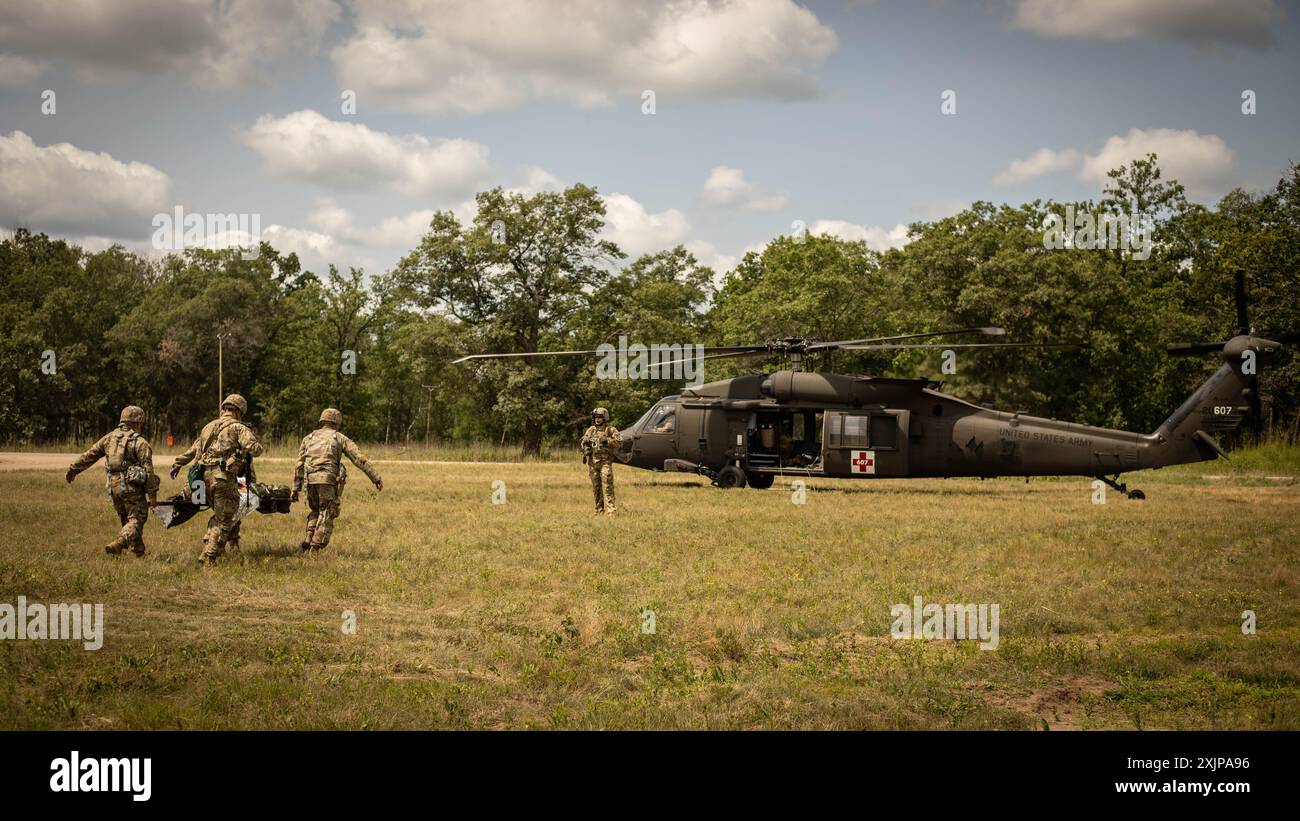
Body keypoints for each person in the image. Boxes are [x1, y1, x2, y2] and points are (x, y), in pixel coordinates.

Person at [170, 394, 264, 565]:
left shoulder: (208, 427)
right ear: (239, 411)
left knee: (225, 513)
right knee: (225, 517)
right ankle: (209, 553)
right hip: (223, 478)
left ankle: (224, 547)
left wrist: (177, 463)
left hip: (203, 478)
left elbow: (193, 450)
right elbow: (255, 449)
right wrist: (253, 442)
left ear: (225, 408)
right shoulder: (238, 428)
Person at [65, 405, 159, 556]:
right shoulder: (140, 443)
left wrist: (73, 469)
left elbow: (90, 454)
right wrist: (153, 496)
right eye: (140, 423)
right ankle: (118, 543)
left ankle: (139, 553)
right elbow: (148, 471)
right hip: (131, 488)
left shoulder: (109, 438)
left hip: (113, 487)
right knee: (137, 519)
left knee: (127, 521)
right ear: (136, 422)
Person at [291, 408, 383, 552]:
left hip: (310, 482)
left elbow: (299, 464)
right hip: (327, 481)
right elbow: (359, 459)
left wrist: (295, 489)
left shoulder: (308, 438)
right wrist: (375, 477)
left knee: (315, 509)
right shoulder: (339, 438)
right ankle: (314, 549)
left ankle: (309, 537)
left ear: (322, 421)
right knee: (327, 512)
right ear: (337, 422)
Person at [580, 407, 623, 515]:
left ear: (605, 418)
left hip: (605, 462)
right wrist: (585, 446)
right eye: (595, 417)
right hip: (593, 463)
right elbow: (583, 441)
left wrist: (607, 441)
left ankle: (611, 511)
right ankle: (599, 511)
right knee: (596, 487)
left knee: (608, 486)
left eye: (600, 417)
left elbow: (620, 442)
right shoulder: (591, 430)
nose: (597, 420)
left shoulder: (610, 429)